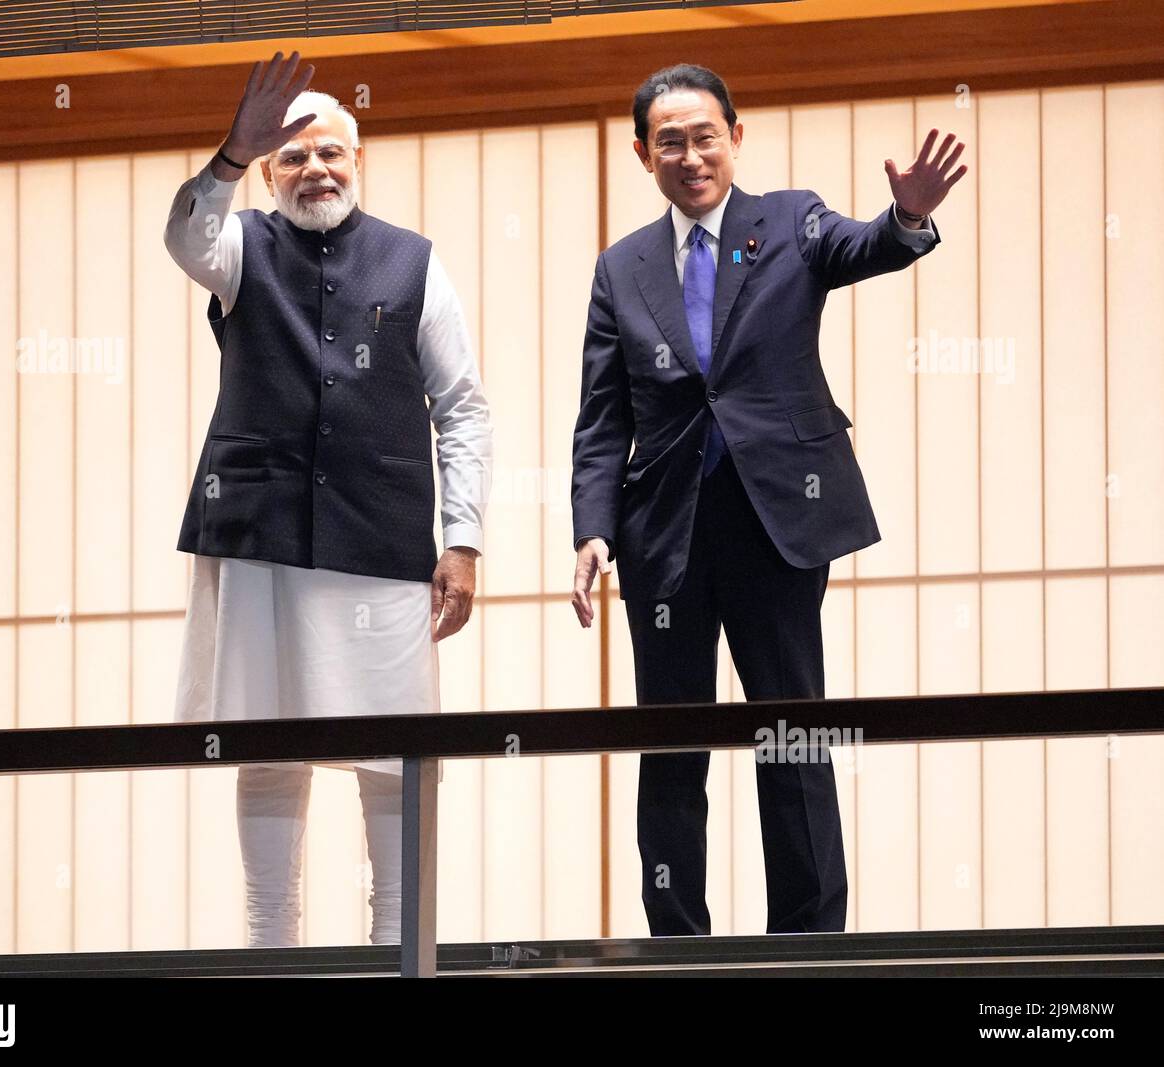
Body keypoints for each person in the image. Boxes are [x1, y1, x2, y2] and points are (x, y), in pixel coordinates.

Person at [570, 63, 963, 936]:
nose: (690, 153)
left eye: (705, 134)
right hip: (663, 532)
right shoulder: (621, 267)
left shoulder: (789, 220)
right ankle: (677, 939)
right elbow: (603, 418)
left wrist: (908, 217)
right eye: (668, 140)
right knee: (671, 744)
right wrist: (593, 531)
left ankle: (812, 939)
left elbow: (862, 246)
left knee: (792, 735)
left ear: (735, 138)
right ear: (643, 153)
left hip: (779, 519)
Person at [164, 52, 492, 947]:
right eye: (293, 158)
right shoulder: (241, 247)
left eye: (331, 154)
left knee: (394, 759)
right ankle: (271, 950)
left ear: (359, 162)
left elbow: (462, 404)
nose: (315, 169)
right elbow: (186, 238)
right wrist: (228, 157)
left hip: (383, 542)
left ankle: (400, 951)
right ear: (269, 174)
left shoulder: (414, 262)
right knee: (269, 751)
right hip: (261, 533)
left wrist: (461, 539)